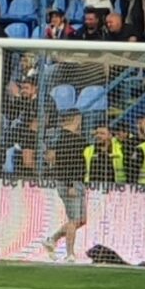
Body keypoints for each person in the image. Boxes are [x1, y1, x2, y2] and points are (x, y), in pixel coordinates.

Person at [41, 112, 88, 262]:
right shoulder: (70, 139)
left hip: (76, 182)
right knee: (74, 220)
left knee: (81, 220)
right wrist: (70, 185)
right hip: (70, 183)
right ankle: (70, 254)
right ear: (76, 119)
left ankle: (52, 239)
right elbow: (67, 165)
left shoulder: (62, 138)